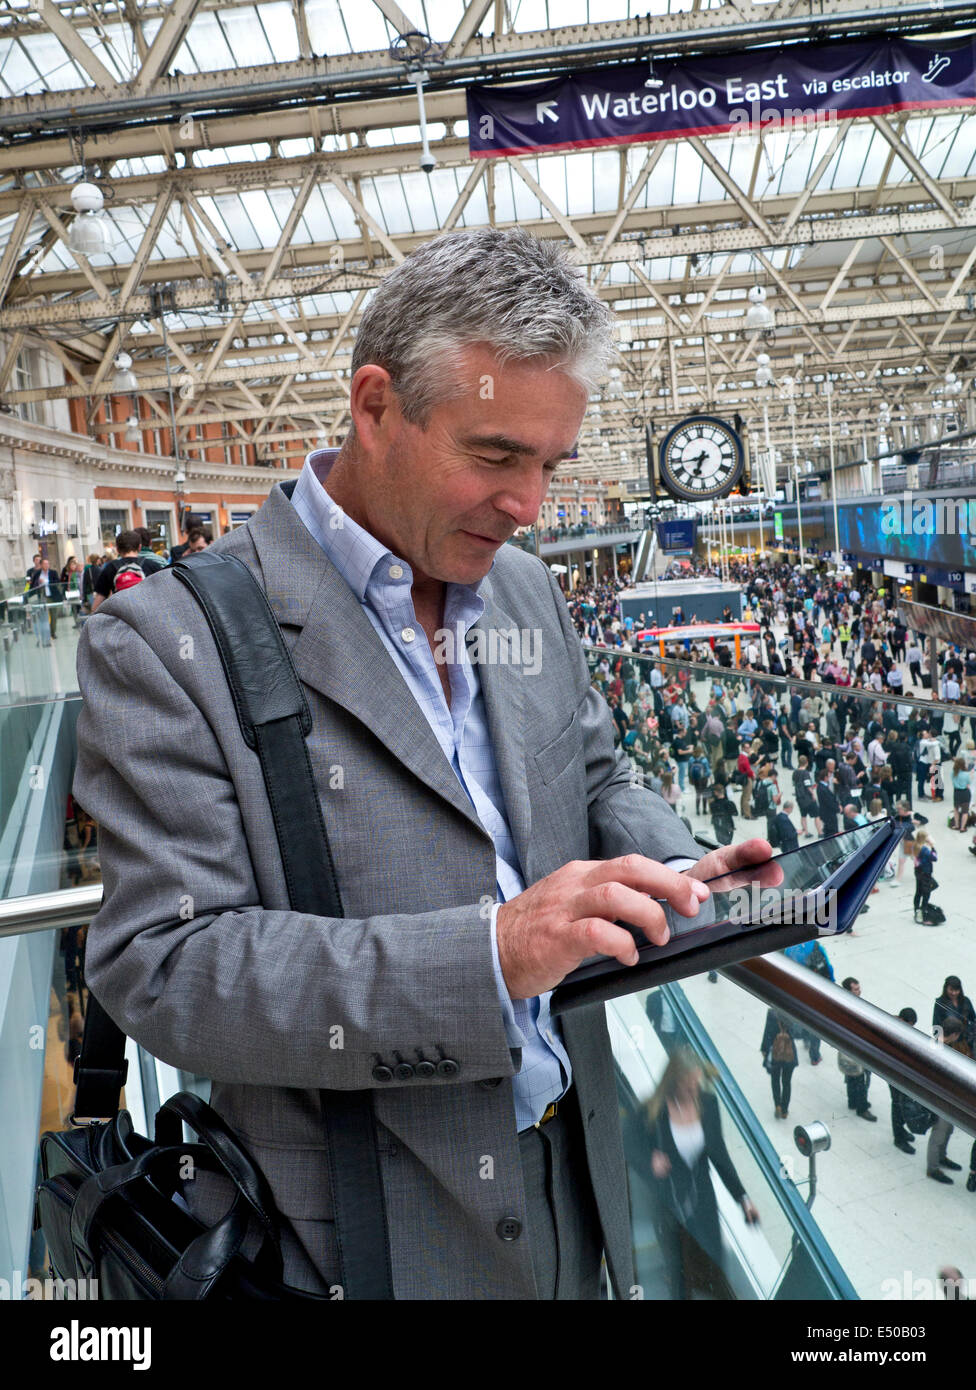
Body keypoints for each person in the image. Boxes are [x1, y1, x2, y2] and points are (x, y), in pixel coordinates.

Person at [73, 226, 774, 1301]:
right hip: (351, 1238)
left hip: (569, 1189)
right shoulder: (174, 642)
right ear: (373, 406)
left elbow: (587, 776)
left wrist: (679, 870)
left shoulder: (528, 593)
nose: (529, 504)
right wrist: (489, 955)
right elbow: (166, 969)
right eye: (494, 455)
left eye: (550, 464)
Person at [645, 1048, 759, 1300]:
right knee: (678, 1272)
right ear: (674, 1081)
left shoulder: (708, 1103)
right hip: (669, 1202)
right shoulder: (657, 1108)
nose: (693, 1089)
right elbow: (636, 1142)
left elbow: (719, 1154)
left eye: (696, 1082)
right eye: (688, 1085)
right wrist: (650, 1158)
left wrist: (743, 1198)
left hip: (702, 1199)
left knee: (714, 1263)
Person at [90, 530, 164, 612]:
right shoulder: (152, 565)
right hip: (148, 615)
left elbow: (98, 600)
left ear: (117, 549)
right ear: (139, 547)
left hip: (122, 617)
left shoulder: (110, 567)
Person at [889, 1007, 919, 1154]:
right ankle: (898, 1137)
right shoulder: (893, 1031)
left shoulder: (900, 1026)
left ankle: (901, 1131)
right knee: (897, 1105)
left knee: (900, 1104)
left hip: (901, 1073)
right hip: (894, 1074)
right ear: (902, 1020)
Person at [761, 1009, 799, 1119]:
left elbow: (767, 1032)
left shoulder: (772, 1013)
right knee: (787, 1082)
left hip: (775, 1053)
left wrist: (764, 1049)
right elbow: (797, 1033)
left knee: (775, 1079)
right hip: (789, 1054)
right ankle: (785, 1110)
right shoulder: (792, 1013)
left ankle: (777, 1104)